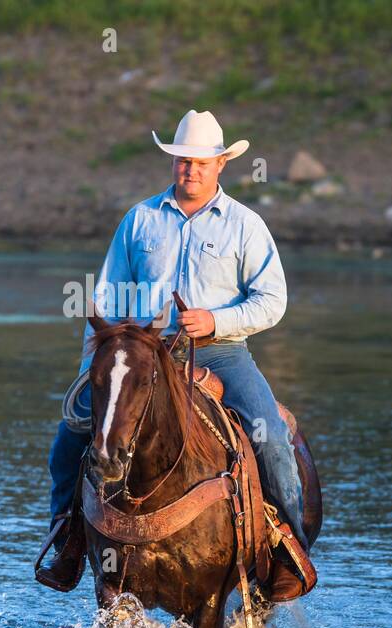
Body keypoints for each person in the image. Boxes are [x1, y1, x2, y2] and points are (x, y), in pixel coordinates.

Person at [36, 109, 310, 601]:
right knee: (68, 439)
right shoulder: (139, 220)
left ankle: (285, 549)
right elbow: (110, 299)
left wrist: (215, 321)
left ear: (222, 164)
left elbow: (273, 300)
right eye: (183, 161)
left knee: (270, 439)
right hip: (142, 354)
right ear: (173, 162)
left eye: (202, 162)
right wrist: (94, 373)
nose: (191, 170)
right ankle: (69, 541)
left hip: (221, 351)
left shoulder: (246, 226)